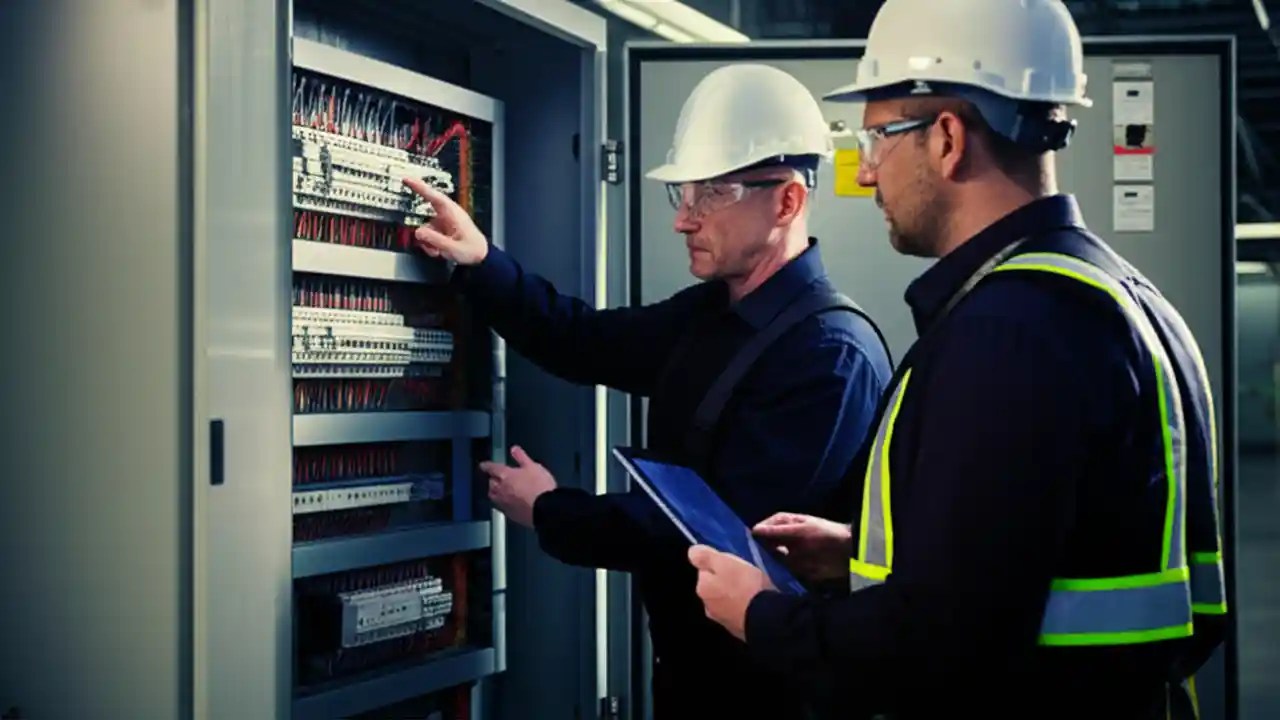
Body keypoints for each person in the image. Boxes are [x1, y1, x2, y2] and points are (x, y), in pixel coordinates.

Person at [687, 2, 1229, 718]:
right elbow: (1036, 559)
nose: (866, 174)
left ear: (947, 138)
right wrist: (858, 558)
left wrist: (760, 614)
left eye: (877, 139)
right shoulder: (1115, 295)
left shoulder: (1011, 331)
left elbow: (936, 646)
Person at [403, 63, 892, 719]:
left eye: (711, 195)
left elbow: (719, 532)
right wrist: (482, 262)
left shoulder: (829, 355)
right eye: (682, 195)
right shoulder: (710, 314)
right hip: (692, 672)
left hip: (770, 693)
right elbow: (580, 339)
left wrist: (550, 510)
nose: (684, 221)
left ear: (786, 202)